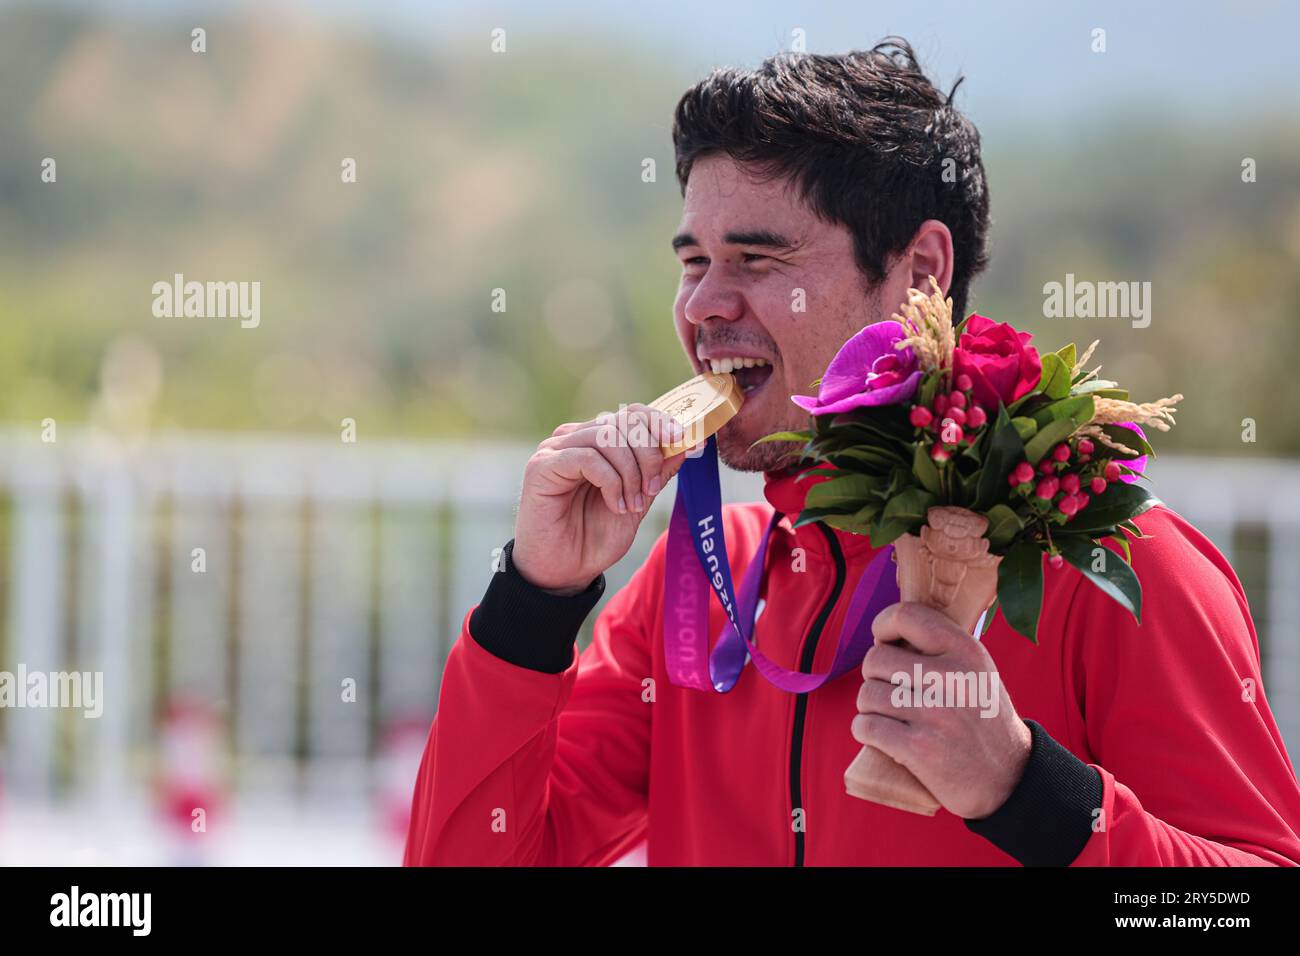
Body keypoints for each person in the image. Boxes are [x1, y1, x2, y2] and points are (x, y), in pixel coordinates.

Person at [403, 39, 1300, 866]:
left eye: (757, 259)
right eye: (693, 262)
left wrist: (1029, 791)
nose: (705, 305)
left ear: (919, 275)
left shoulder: (1109, 566)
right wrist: (533, 599)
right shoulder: (693, 590)